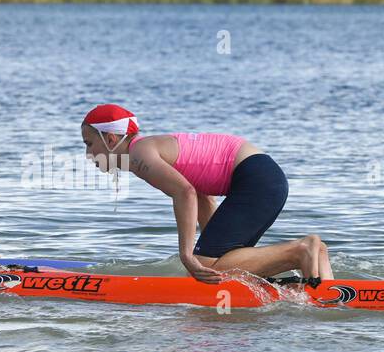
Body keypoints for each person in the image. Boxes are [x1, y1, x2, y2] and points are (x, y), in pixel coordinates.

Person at [80, 104, 333, 284]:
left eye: (89, 144)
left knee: (205, 266)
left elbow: (185, 193)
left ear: (111, 139)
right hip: (264, 177)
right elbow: (201, 196)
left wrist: (188, 256)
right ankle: (322, 278)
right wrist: (213, 254)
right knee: (217, 264)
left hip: (256, 179)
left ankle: (301, 250)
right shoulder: (150, 148)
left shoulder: (138, 156)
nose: (88, 154)